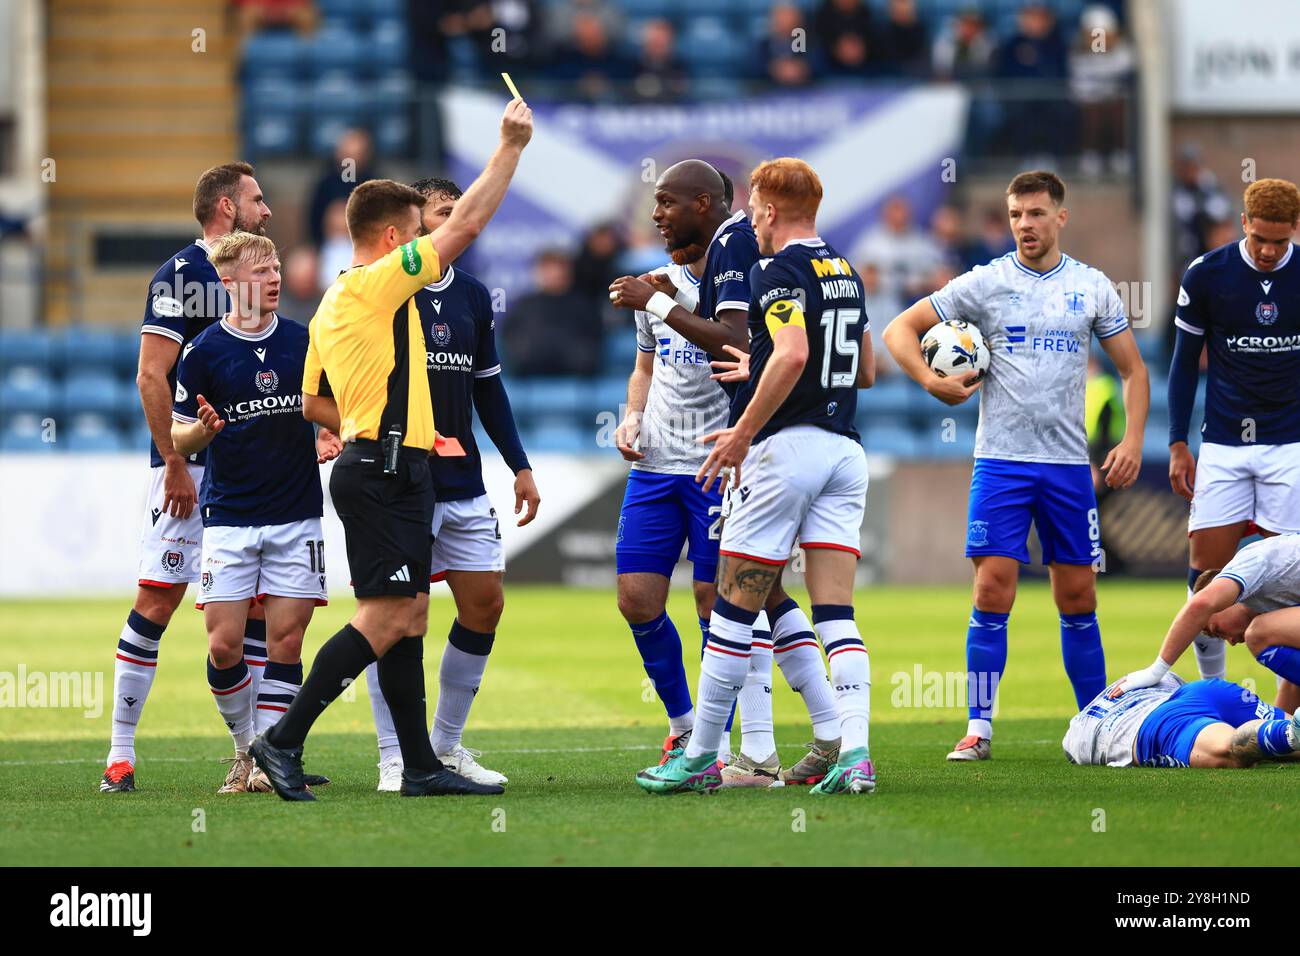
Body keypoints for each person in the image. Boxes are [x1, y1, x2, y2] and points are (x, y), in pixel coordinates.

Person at [249, 98, 533, 801]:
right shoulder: (378, 288)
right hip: (384, 470)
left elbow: (313, 399)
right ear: (387, 239)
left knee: (408, 618)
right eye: (412, 235)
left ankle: (419, 766)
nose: (421, 247)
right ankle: (281, 740)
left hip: (384, 458)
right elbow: (465, 224)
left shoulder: (332, 304)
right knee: (384, 618)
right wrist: (511, 147)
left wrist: (374, 419)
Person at [883, 170, 1149, 762]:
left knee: (1078, 596)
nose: (1024, 225)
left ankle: (1095, 725)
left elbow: (1133, 370)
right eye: (1015, 215)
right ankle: (978, 728)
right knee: (991, 588)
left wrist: (1131, 440)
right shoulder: (985, 282)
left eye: (1035, 213)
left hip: (1065, 468)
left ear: (1061, 216)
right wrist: (931, 380)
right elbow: (899, 329)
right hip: (1001, 462)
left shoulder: (1093, 287)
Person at [634, 157, 877, 796]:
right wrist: (761, 364)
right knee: (836, 615)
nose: (752, 226)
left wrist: (744, 430)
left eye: (755, 213)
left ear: (767, 209)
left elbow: (793, 351)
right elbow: (866, 371)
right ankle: (855, 753)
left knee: (731, 613)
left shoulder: (779, 269)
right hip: (845, 454)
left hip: (783, 455)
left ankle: (703, 756)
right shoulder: (846, 271)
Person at [101, 162, 273, 794]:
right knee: (159, 598)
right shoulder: (184, 275)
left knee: (253, 612)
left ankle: (254, 758)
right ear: (225, 207)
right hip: (192, 469)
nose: (268, 210)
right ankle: (120, 756)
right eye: (257, 199)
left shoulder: (255, 273)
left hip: (252, 473)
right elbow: (152, 375)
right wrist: (174, 462)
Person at [365, 176, 540, 791]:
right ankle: (395, 755)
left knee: (484, 603)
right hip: (404, 479)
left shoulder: (471, 295)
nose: (458, 220)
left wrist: (519, 464)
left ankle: (443, 747)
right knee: (397, 614)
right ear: (418, 224)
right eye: (445, 213)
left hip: (463, 479)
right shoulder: (389, 288)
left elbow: (488, 386)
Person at [170, 232, 337, 793]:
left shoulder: (303, 340)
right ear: (228, 282)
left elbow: (329, 405)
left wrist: (329, 433)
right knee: (224, 645)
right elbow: (179, 436)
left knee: (288, 641)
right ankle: (247, 748)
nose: (273, 278)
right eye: (260, 270)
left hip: (296, 514)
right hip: (230, 517)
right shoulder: (203, 353)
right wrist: (201, 430)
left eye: (275, 267)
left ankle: (273, 757)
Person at [1167, 178, 1300, 711]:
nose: (1269, 251)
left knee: (1290, 577)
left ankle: (1284, 714)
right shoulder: (1207, 275)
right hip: (1222, 443)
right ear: (1244, 223)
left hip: (1290, 444)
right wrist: (1177, 440)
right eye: (1261, 238)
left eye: (1280, 240)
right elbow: (1182, 365)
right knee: (1207, 575)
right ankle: (1212, 689)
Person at [1110, 535, 1300, 701]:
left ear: (1223, 602)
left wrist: (1155, 671)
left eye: (1218, 631)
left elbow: (1201, 604)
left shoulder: (1247, 564)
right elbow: (1293, 684)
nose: (1232, 642)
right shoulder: (1274, 599)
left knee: (1258, 633)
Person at [1065, 673, 1299, 769]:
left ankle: (1289, 734)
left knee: (1230, 751)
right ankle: (1290, 732)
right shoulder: (1124, 685)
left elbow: (1077, 749)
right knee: (1291, 731)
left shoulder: (1075, 735)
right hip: (1201, 689)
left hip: (1154, 721)